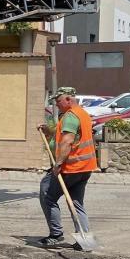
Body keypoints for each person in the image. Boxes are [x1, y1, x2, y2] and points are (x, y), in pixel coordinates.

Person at [36, 86, 98, 247]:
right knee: (76, 202)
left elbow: (67, 141)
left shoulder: (70, 116)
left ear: (68, 99)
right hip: (85, 168)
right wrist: (48, 130)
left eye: (58, 101)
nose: (57, 105)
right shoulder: (81, 114)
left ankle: (56, 234)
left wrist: (58, 164)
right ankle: (84, 239)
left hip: (71, 168)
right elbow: (60, 134)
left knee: (47, 194)